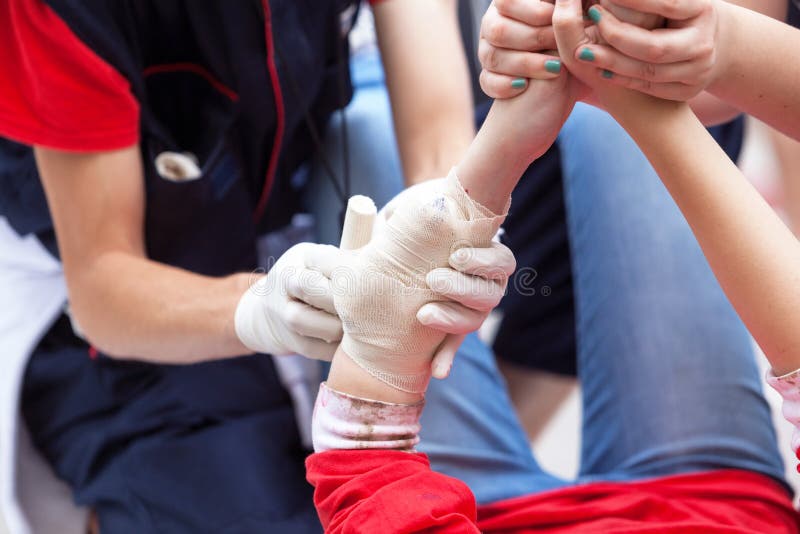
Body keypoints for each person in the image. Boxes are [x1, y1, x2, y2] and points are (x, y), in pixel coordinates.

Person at [0, 1, 512, 531]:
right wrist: (263, 308)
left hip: (285, 209)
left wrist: (451, 234)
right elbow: (104, 281)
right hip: (121, 304)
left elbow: (437, 148)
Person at [303, 2, 799, 532]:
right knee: (622, 107)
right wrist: (642, 66)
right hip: (716, 497)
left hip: (484, 511)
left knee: (358, 134)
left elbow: (360, 455)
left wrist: (507, 144)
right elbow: (359, 451)